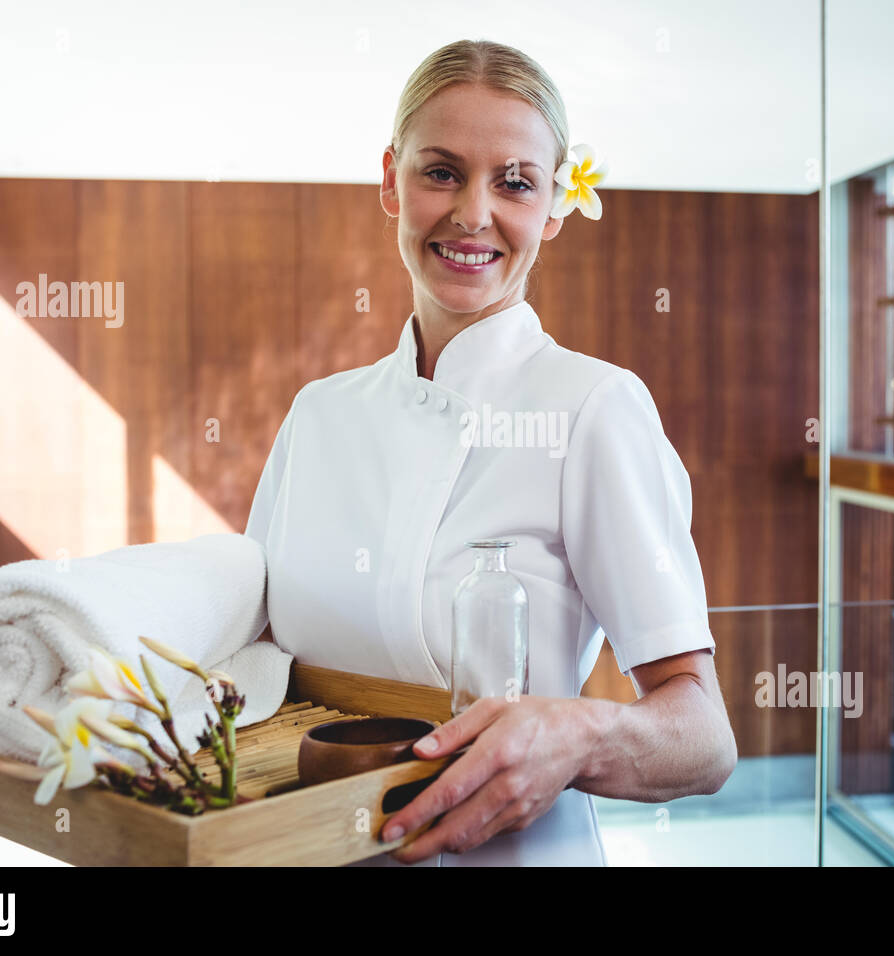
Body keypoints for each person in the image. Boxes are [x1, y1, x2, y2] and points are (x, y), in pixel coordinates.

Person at [244, 38, 736, 866]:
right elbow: (251, 656)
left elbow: (704, 738)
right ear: (390, 181)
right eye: (441, 172)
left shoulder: (594, 408)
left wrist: (578, 736)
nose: (474, 214)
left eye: (514, 182)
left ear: (551, 208)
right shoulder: (318, 416)